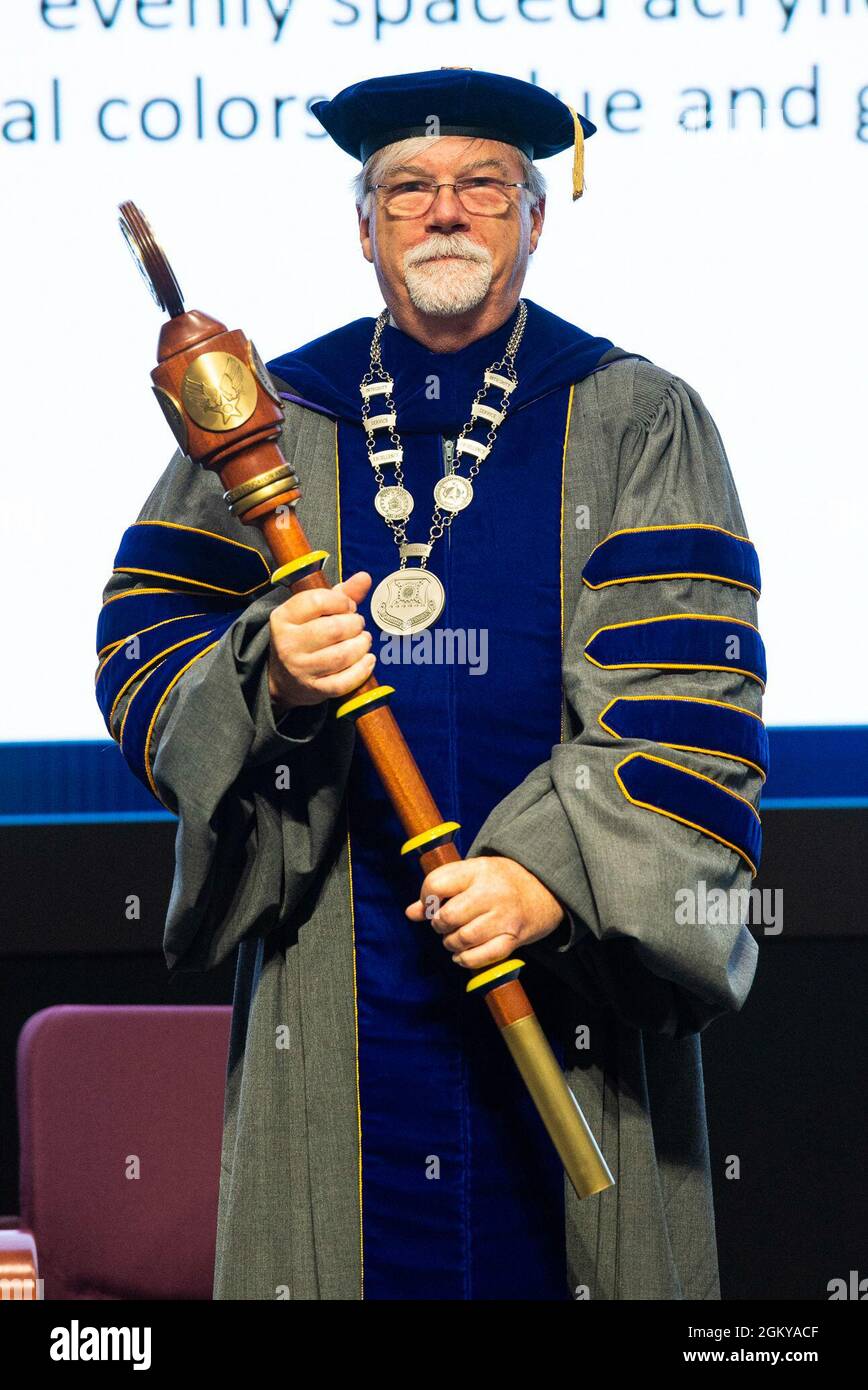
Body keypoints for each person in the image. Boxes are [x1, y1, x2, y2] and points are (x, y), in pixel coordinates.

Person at [95, 68, 766, 1300]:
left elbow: (692, 700)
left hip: (571, 970)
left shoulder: (636, 419)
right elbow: (145, 643)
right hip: (338, 962)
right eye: (407, 189)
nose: (443, 212)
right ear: (364, 227)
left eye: (481, 187)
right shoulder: (272, 415)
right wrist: (269, 674)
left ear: (532, 219)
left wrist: (548, 880)